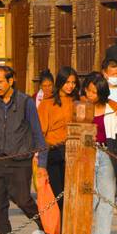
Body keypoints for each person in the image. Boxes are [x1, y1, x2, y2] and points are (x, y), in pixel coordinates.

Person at [0, 64, 49, 234]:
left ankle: (46, 227)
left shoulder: (25, 102)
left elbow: (37, 133)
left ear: (10, 81)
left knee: (23, 200)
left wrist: (42, 165)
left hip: (20, 161)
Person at [83, 71, 117, 234]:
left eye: (94, 92)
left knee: (107, 195)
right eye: (88, 91)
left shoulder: (111, 109)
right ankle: (82, 230)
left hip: (107, 154)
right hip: (87, 155)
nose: (90, 95)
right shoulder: (80, 107)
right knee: (89, 196)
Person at [38, 65, 79, 214]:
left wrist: (114, 104)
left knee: (72, 195)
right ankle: (59, 231)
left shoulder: (77, 101)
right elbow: (40, 133)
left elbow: (98, 101)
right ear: (60, 82)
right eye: (67, 82)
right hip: (54, 151)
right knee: (58, 194)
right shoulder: (47, 103)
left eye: (73, 83)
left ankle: (67, 231)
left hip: (74, 152)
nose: (70, 86)